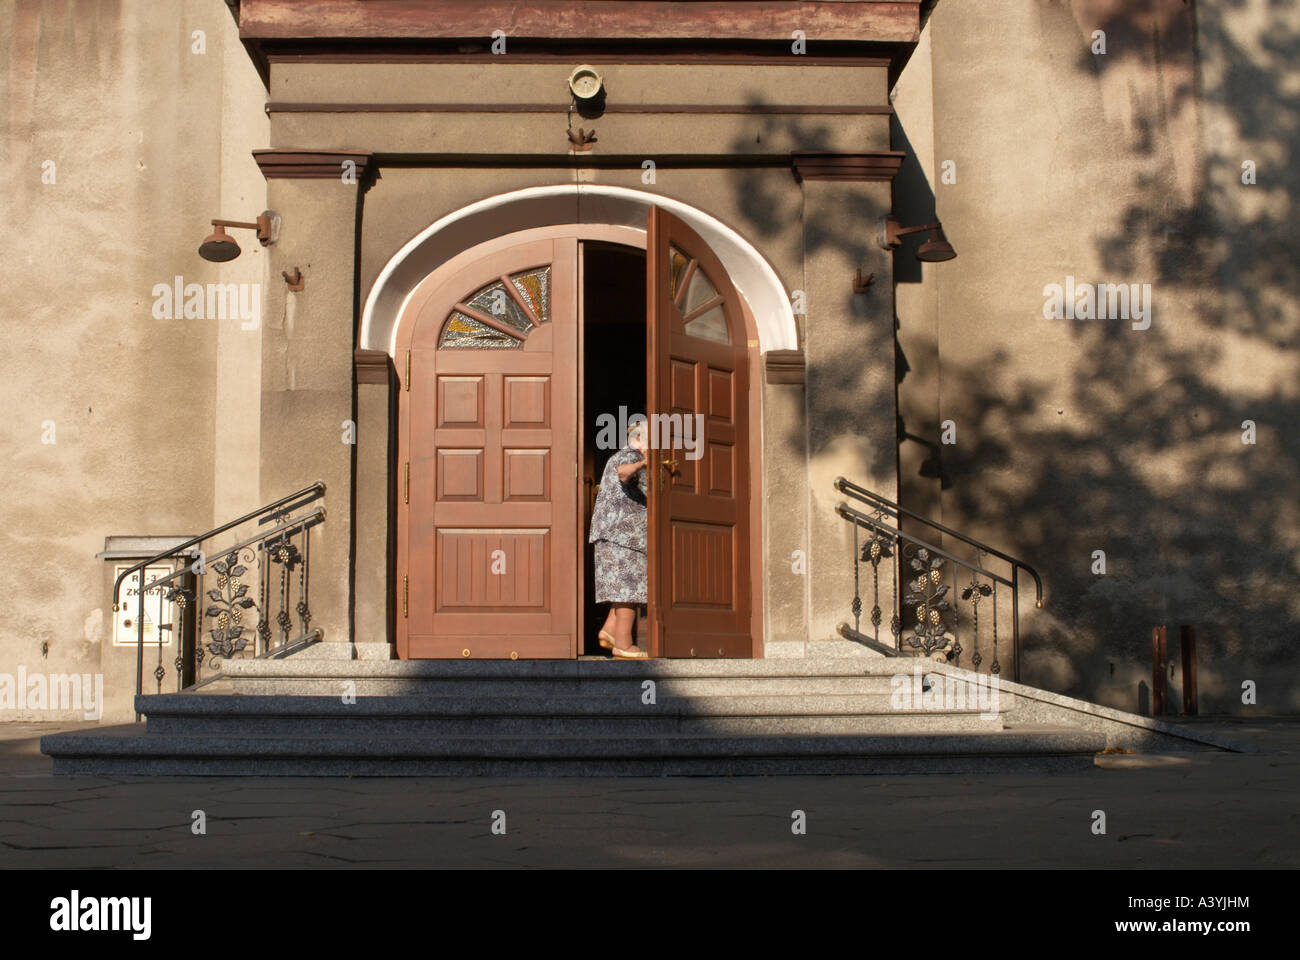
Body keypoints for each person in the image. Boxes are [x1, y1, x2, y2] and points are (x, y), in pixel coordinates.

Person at [588, 419, 650, 658]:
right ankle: (624, 644)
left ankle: (609, 630)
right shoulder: (629, 456)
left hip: (611, 534)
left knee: (620, 588)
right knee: (628, 590)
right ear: (638, 440)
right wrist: (644, 461)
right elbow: (624, 474)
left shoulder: (617, 456)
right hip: (624, 536)